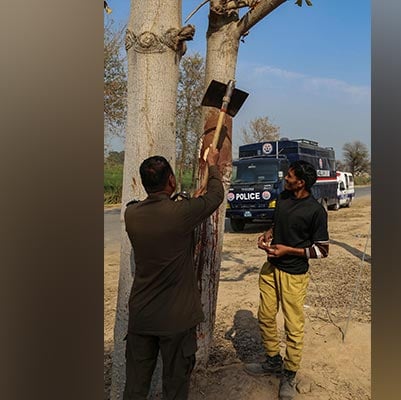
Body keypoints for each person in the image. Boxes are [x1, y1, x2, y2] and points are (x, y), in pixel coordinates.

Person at [123, 146, 223, 400]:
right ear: (171, 180)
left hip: (142, 317)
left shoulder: (131, 214)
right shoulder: (180, 213)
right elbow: (215, 196)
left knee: (135, 386)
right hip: (176, 319)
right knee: (175, 386)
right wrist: (212, 164)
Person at [244, 160, 330, 400]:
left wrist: (288, 251)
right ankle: (272, 361)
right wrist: (268, 234)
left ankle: (290, 375)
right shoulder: (282, 197)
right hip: (270, 269)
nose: (286, 177)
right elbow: (278, 222)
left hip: (294, 275)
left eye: (290, 176)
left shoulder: (315, 211)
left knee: (293, 326)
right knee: (265, 316)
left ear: (301, 183)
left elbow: (322, 250)